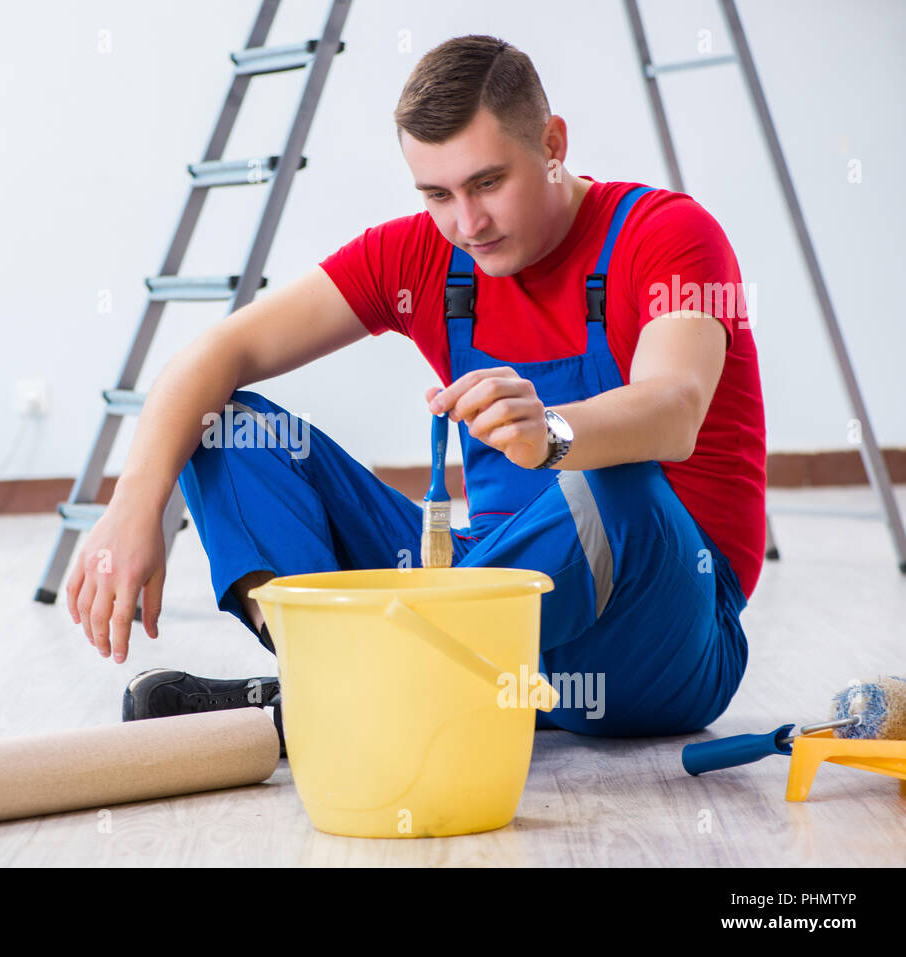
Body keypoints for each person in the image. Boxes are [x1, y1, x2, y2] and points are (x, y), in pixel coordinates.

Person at [67, 35, 766, 752]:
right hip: (482, 616)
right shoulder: (423, 257)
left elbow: (676, 405)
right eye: (438, 195)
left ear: (552, 143)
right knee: (224, 429)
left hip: (657, 633)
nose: (468, 224)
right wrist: (131, 507)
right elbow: (216, 353)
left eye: (489, 182)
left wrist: (553, 431)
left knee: (619, 486)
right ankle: (343, 682)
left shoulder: (669, 234)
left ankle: (355, 693)